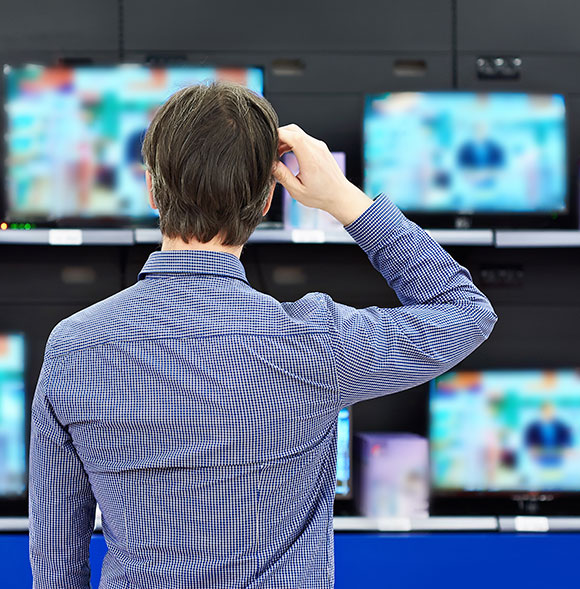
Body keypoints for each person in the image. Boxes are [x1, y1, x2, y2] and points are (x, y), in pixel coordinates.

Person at [29, 82, 496, 588]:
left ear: (151, 188)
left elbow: (57, 564)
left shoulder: (74, 346)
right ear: (270, 196)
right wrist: (345, 201)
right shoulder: (313, 342)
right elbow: (465, 312)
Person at [524, 401, 573, 468]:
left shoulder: (562, 426)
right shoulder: (532, 427)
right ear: (541, 412)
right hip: (539, 459)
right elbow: (528, 442)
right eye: (546, 411)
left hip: (558, 458)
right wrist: (532, 449)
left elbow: (568, 441)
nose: (548, 413)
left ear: (554, 412)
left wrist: (566, 448)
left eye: (550, 411)